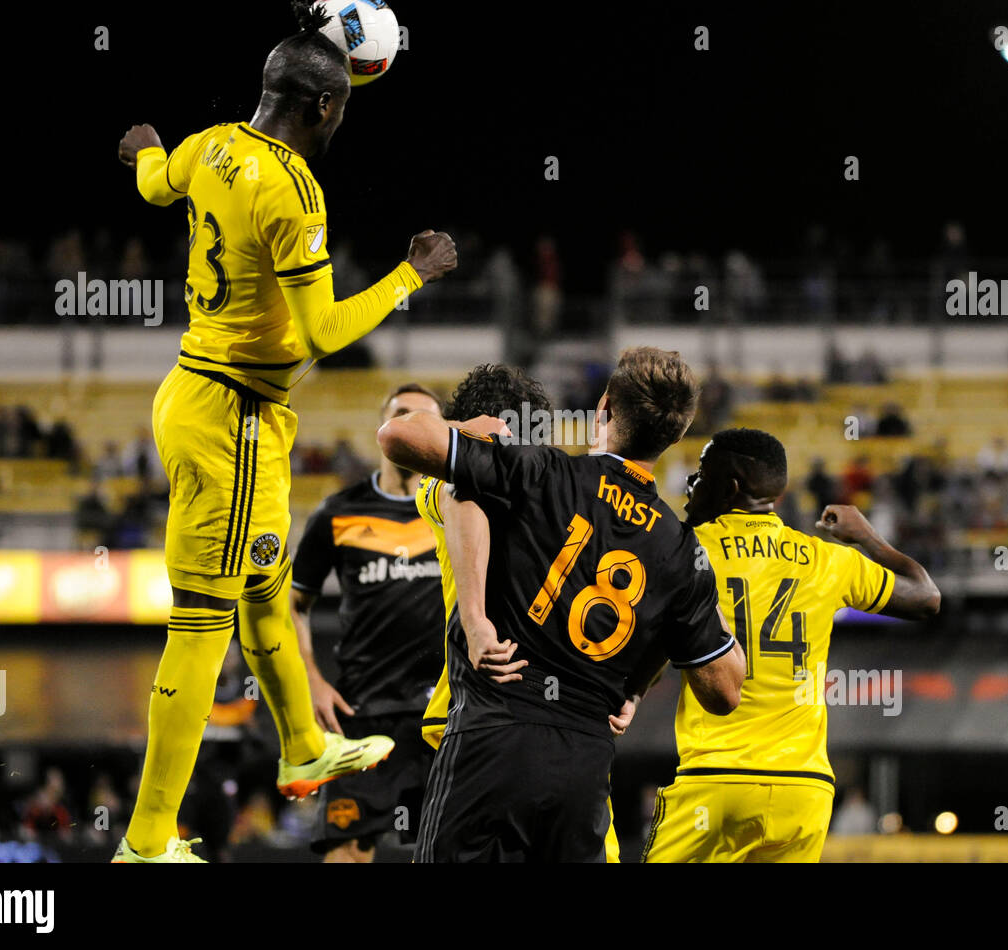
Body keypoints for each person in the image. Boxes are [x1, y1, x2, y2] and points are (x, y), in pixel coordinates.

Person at [111, 2, 458, 863]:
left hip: (222, 402)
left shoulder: (207, 142)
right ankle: (147, 839)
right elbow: (321, 333)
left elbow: (156, 181)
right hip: (227, 416)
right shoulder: (295, 188)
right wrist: (410, 276)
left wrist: (146, 149)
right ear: (326, 108)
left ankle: (305, 745)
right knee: (201, 625)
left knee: (265, 584)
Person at [379, 347, 746, 862]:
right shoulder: (681, 550)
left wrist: (465, 426)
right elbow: (726, 689)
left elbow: (406, 444)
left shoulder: (541, 473)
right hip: (584, 764)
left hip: (494, 733)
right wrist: (637, 684)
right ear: (677, 436)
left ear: (602, 410)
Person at [642, 429, 939, 863]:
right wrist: (867, 537)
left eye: (702, 473)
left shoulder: (686, 550)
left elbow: (651, 644)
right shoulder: (826, 560)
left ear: (732, 485)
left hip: (717, 780)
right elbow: (926, 597)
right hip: (804, 791)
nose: (691, 484)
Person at [412, 364, 625, 861]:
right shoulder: (573, 500)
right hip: (565, 728)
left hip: (487, 720)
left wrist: (475, 622)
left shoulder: (448, 483)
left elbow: (450, 484)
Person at [290, 385, 446, 863]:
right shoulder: (339, 511)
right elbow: (293, 603)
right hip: (362, 715)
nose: (412, 422)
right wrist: (312, 681)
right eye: (401, 413)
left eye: (425, 416)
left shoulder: (456, 509)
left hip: (443, 717)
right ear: (382, 430)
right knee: (346, 854)